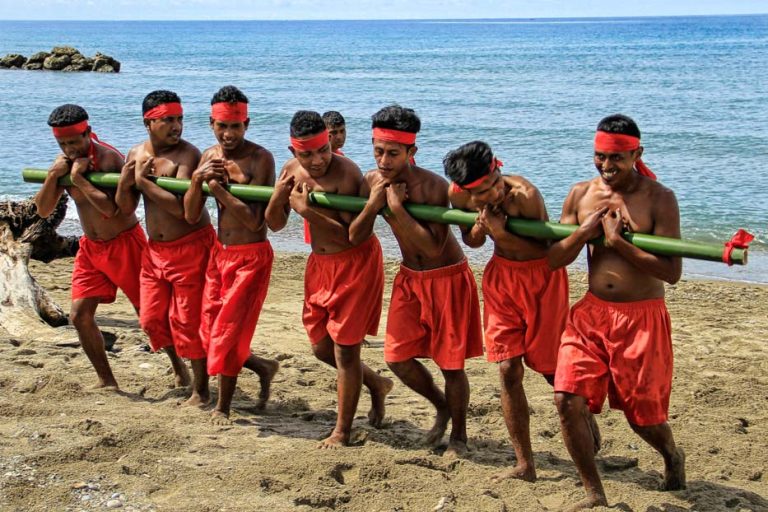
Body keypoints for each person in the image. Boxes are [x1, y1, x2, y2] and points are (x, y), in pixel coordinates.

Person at [548, 114, 685, 510]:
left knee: (642, 418)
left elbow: (671, 272)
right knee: (566, 399)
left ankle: (671, 455)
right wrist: (582, 233)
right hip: (590, 314)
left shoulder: (660, 198)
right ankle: (594, 493)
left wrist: (617, 243)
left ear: (637, 154)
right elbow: (554, 260)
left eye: (616, 159)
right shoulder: (580, 194)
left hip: (642, 319)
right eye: (600, 157)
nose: (606, 167)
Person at [350, 105, 483, 457]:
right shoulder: (371, 181)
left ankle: (459, 436)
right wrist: (375, 204)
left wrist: (397, 210)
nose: (383, 160)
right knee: (397, 357)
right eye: (378, 150)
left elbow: (433, 244)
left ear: (412, 152)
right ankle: (441, 406)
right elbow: (356, 235)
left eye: (393, 153)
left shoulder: (433, 186)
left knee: (451, 364)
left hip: (447, 279)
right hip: (409, 278)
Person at [443, 140, 571, 480]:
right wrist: (479, 229)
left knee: (551, 370)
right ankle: (524, 463)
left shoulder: (526, 195)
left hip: (542, 280)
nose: (493, 193)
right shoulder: (456, 196)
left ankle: (580, 419)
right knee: (508, 369)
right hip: (502, 278)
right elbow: (472, 242)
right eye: (482, 193)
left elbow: (547, 251)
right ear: (465, 191)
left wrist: (501, 232)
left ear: (498, 169)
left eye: (494, 183)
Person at [265, 110, 393, 448]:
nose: (318, 159)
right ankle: (377, 384)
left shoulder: (348, 173)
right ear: (294, 151)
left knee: (346, 352)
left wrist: (308, 211)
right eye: (307, 153)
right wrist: (279, 197)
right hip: (319, 264)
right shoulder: (291, 170)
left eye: (323, 149)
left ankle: (342, 431)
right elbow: (275, 224)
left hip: (355, 263)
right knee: (321, 346)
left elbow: (355, 235)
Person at [35, 104, 155, 390]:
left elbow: (114, 211)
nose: (69, 148)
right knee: (78, 315)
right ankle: (107, 380)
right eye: (62, 143)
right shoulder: (63, 162)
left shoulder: (110, 158)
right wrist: (54, 176)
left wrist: (78, 180)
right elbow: (42, 210)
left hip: (125, 244)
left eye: (74, 141)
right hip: (91, 248)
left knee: (149, 314)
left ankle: (180, 370)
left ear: (88, 132)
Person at [183, 86, 280, 423]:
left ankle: (224, 407)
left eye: (235, 127)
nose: (228, 134)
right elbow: (192, 215)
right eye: (221, 126)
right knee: (209, 330)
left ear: (247, 125)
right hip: (219, 253)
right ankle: (264, 366)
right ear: (211, 124)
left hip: (250, 256)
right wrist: (197, 181)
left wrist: (219, 190)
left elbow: (256, 220)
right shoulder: (208, 155)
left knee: (229, 332)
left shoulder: (260, 158)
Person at [117, 90, 214, 406]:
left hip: (191, 247)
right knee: (150, 319)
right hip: (155, 250)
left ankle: (201, 390)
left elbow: (181, 211)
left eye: (180, 119)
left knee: (187, 321)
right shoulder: (135, 153)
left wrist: (145, 184)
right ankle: (180, 368)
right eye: (168, 120)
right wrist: (127, 180)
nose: (177, 126)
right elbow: (125, 206)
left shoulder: (188, 156)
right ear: (148, 122)